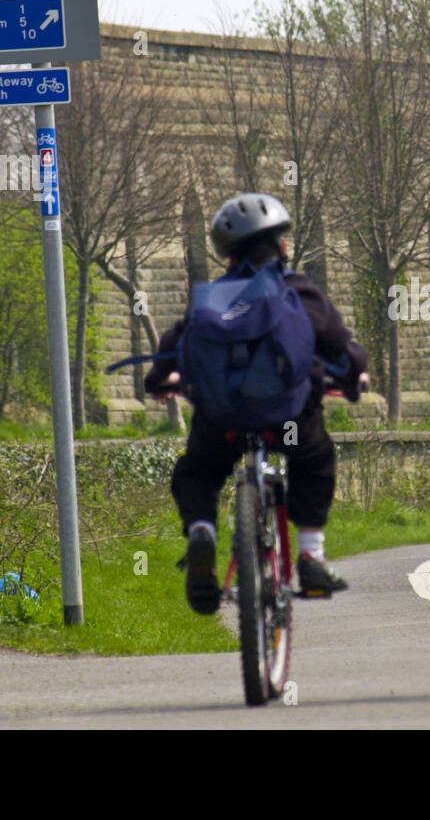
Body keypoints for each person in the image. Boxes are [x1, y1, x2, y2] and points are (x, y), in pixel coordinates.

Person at [144, 192, 369, 613]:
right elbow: (341, 346)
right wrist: (355, 378)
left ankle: (201, 529)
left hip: (223, 424)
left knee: (197, 472)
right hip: (287, 421)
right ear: (282, 246)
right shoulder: (297, 290)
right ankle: (311, 556)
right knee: (314, 459)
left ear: (227, 255)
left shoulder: (210, 298)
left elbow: (170, 350)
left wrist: (159, 382)